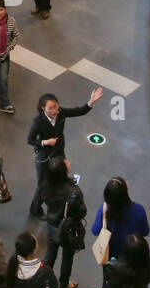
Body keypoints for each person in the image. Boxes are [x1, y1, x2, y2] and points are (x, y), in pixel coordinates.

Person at [27, 87, 103, 215]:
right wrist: (45, 142)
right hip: (45, 155)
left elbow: (79, 111)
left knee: (61, 178)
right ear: (43, 108)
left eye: (55, 107)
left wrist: (91, 101)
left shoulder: (60, 112)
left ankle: (59, 205)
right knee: (43, 184)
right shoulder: (38, 121)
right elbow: (30, 139)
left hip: (59, 152)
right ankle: (35, 209)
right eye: (50, 108)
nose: (54, 110)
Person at [39, 156, 85, 288]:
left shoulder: (45, 185)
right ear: (63, 171)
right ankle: (64, 284)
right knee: (67, 256)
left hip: (52, 224)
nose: (68, 162)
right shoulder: (74, 192)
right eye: (65, 163)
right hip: (68, 227)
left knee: (51, 251)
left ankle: (44, 280)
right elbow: (82, 211)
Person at [90, 176, 150, 260]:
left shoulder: (103, 211)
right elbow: (145, 232)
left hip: (111, 256)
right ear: (125, 192)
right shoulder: (139, 209)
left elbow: (95, 231)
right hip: (133, 254)